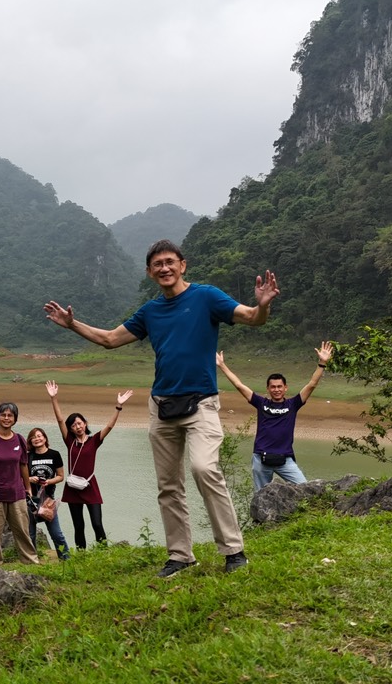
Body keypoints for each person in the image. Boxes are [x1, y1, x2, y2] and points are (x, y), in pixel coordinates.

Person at [44, 238, 279, 577]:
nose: (165, 268)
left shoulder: (207, 296)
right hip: (161, 406)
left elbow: (252, 318)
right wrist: (72, 324)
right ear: (150, 272)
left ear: (183, 265)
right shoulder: (150, 311)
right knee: (168, 486)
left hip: (201, 404)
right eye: (158, 264)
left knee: (204, 469)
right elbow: (110, 339)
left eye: (170, 262)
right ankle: (180, 555)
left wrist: (263, 305)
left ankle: (233, 551)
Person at [217, 342, 333, 490]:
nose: (276, 389)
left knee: (306, 489)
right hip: (261, 459)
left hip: (285, 460)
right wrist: (222, 365)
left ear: (285, 388)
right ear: (268, 389)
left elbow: (311, 384)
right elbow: (239, 385)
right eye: (273, 387)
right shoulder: (261, 403)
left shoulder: (293, 404)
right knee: (260, 497)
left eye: (279, 386)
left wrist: (322, 363)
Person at [45, 379, 132, 550]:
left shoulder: (94, 441)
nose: (77, 426)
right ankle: (82, 556)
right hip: (72, 489)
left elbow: (109, 426)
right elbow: (60, 420)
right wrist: (54, 398)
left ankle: (103, 553)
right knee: (79, 526)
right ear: (70, 429)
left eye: (79, 423)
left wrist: (118, 406)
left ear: (85, 424)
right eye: (74, 425)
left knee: (97, 523)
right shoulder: (69, 442)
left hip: (90, 486)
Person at [0, 403, 40, 566]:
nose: (6, 418)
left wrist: (27, 487)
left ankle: (30, 559)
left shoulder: (19, 439)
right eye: (3, 415)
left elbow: (23, 465)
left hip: (16, 493)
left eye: (10, 415)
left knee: (22, 529)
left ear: (15, 418)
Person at [25, 426, 71, 560]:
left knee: (57, 534)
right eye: (33, 437)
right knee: (30, 534)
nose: (37, 439)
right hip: (30, 500)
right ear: (30, 441)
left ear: (45, 438)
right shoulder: (27, 457)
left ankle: (66, 559)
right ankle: (31, 560)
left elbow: (61, 476)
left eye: (39, 436)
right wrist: (30, 479)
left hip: (47, 501)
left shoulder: (54, 454)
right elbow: (20, 477)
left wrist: (49, 482)